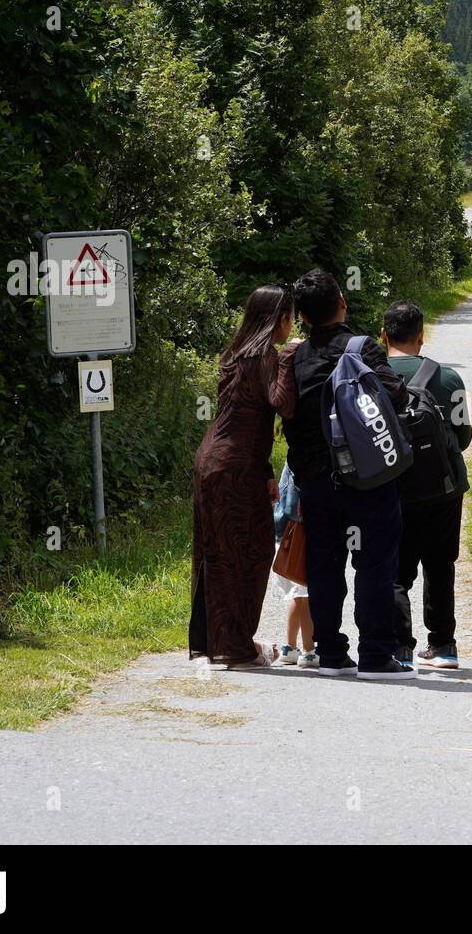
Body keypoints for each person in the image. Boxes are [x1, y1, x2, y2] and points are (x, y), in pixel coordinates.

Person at [283, 268, 414, 680]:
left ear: (302, 316)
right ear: (342, 302)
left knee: (324, 562)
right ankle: (376, 653)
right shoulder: (362, 347)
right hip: (368, 476)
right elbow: (396, 393)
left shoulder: (294, 357)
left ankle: (330, 653)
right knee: (375, 562)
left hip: (316, 480)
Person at [190, 284, 298, 668]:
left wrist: (267, 471)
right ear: (279, 320)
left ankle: (220, 641)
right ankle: (235, 645)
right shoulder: (266, 358)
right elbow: (282, 404)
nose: (293, 325)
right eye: (290, 317)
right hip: (234, 468)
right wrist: (289, 358)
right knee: (251, 553)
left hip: (216, 461)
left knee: (219, 554)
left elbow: (242, 417)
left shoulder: (235, 354)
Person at [381, 300, 472, 670]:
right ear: (422, 335)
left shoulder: (370, 376)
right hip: (443, 487)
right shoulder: (448, 378)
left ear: (383, 334)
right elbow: (463, 436)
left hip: (390, 488)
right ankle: (444, 646)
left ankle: (400, 648)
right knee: (440, 565)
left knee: (395, 570)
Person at [272, 462, 317, 669]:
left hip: (285, 537)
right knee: (304, 595)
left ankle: (290, 647)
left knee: (297, 594)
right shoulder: (300, 465)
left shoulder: (290, 463)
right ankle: (309, 650)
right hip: (298, 537)